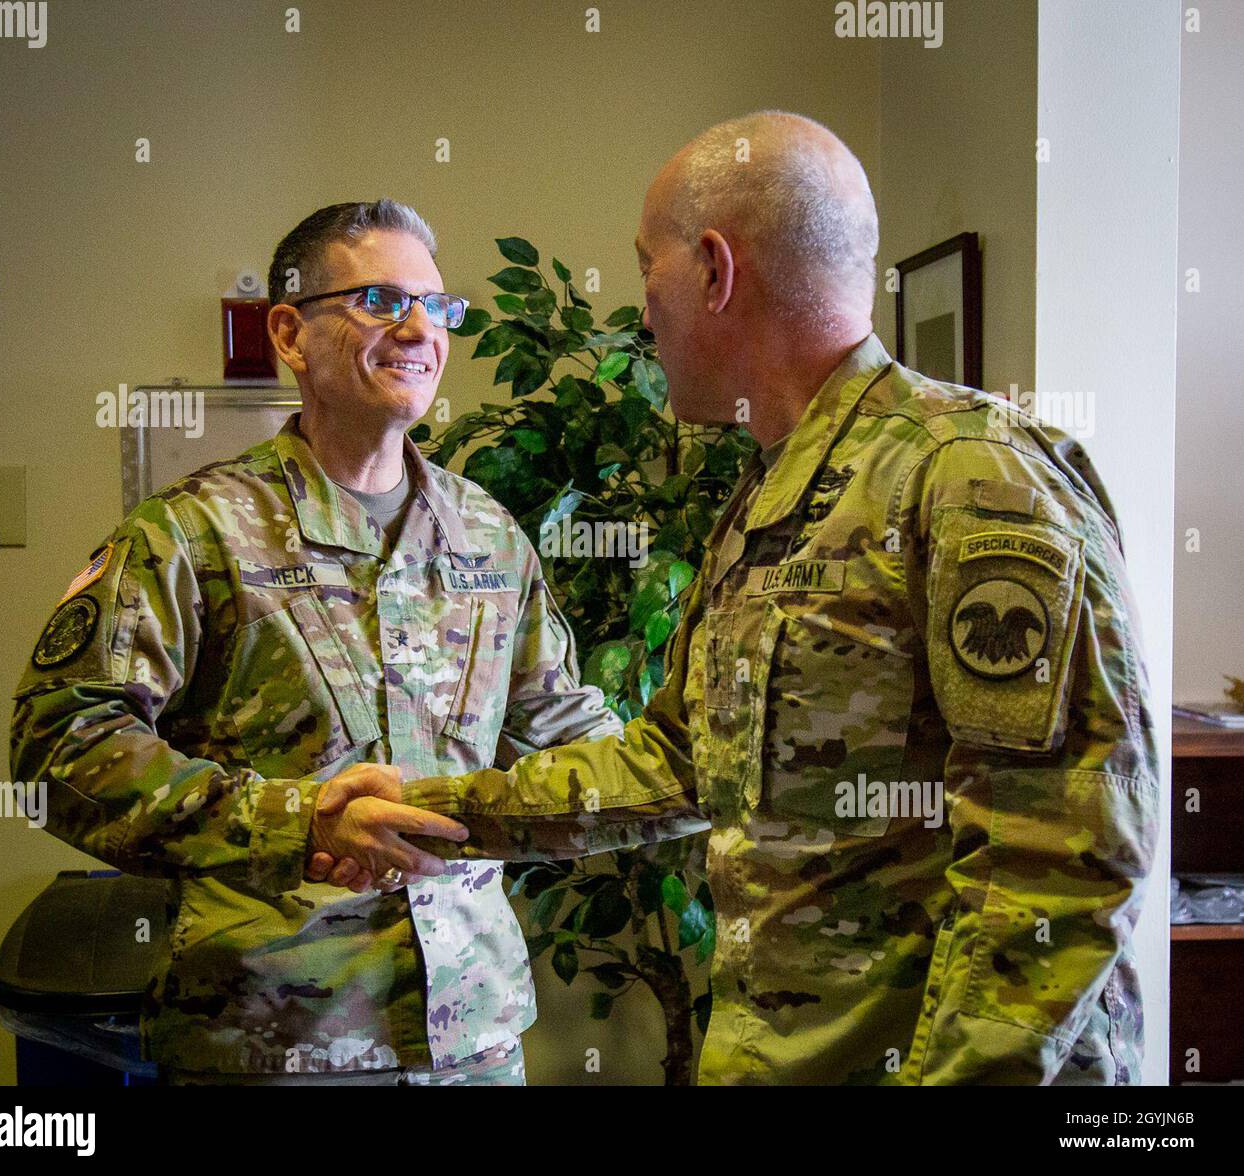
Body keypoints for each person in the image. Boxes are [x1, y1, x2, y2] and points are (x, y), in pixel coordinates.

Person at [314, 114, 1161, 1085]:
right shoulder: (770, 500)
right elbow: (680, 757)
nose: (643, 315)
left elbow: (1055, 858)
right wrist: (427, 811)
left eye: (648, 273)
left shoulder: (970, 477)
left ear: (714, 272)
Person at [9, 199, 631, 1085]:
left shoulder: (489, 535)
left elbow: (562, 726)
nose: (421, 328)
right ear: (292, 334)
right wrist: (299, 825)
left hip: (472, 1035)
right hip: (276, 1038)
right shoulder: (193, 532)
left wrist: (710, 768)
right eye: (381, 300)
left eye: (437, 305)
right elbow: (58, 747)